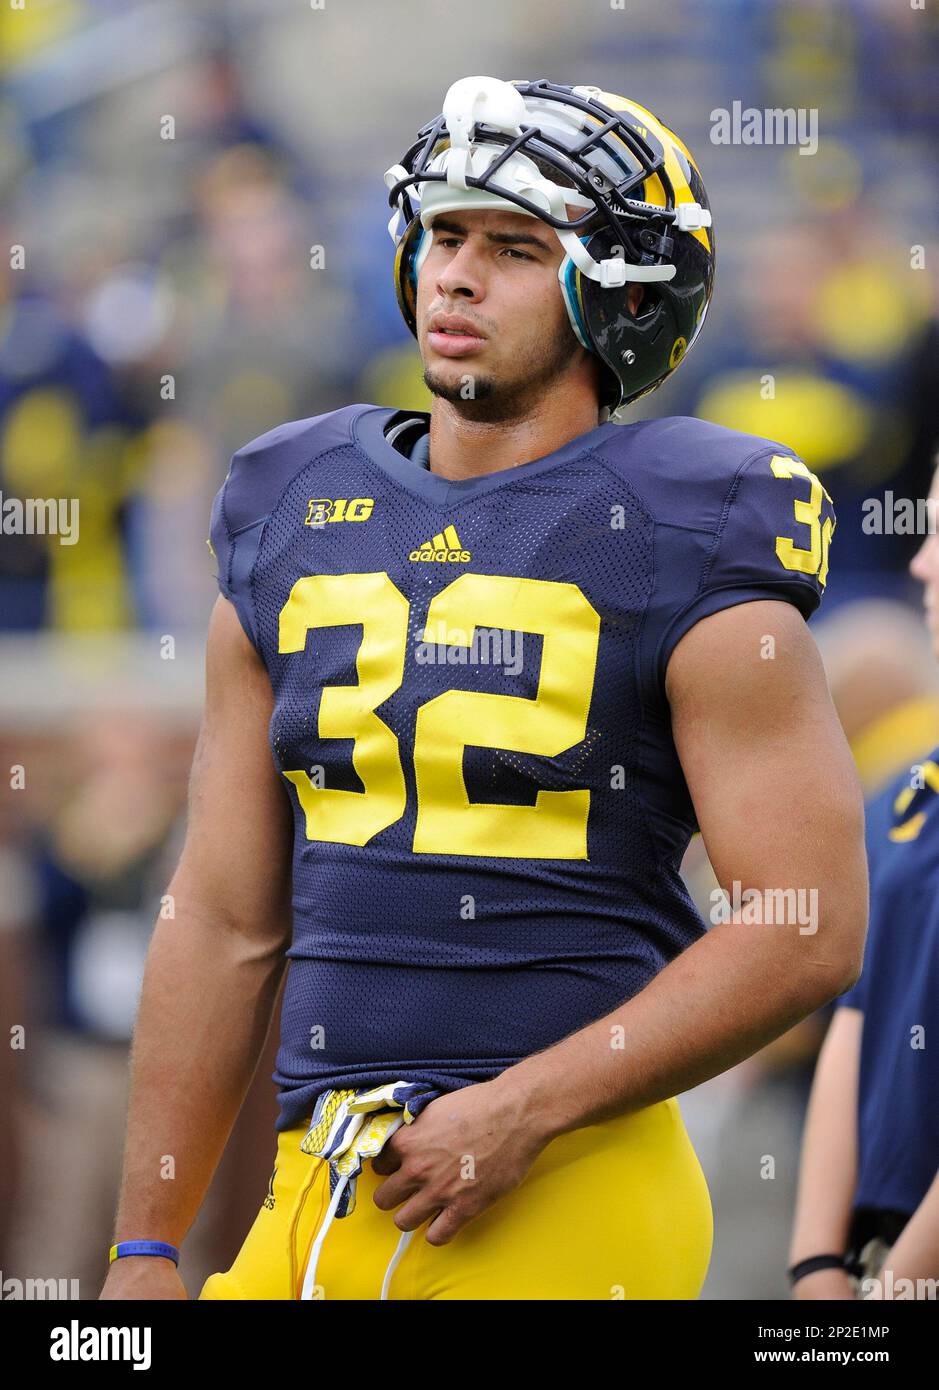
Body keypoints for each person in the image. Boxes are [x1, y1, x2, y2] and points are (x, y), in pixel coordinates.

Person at [102, 76, 865, 1302]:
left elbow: (806, 925)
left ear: (616, 296)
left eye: (514, 248)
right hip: (317, 1188)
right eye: (444, 234)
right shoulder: (290, 504)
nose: (456, 276)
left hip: (565, 1179)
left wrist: (523, 1107)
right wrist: (144, 1241)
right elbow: (226, 916)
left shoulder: (686, 523)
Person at [789, 462, 939, 1301]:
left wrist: (896, 1290)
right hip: (873, 1247)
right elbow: (853, 1007)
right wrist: (816, 1265)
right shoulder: (910, 787)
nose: (918, 561)